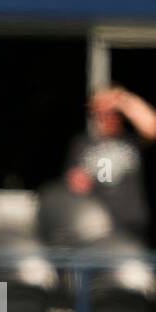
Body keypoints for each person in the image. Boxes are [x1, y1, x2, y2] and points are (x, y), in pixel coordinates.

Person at [65, 86, 156, 243]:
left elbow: (152, 127)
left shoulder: (131, 140)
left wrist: (123, 100)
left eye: (112, 113)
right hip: (95, 227)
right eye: (101, 113)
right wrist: (77, 181)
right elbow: (72, 182)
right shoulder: (82, 143)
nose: (107, 117)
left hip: (131, 225)